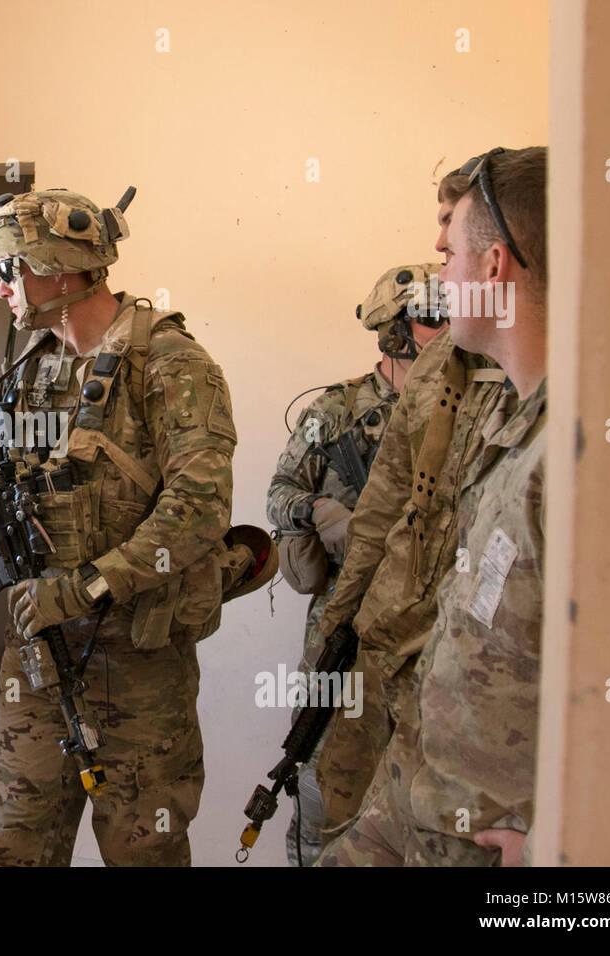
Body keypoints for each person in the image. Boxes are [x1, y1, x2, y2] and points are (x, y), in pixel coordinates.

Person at [0, 187, 237, 866]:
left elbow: (198, 509)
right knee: (8, 847)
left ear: (58, 269)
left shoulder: (169, 363)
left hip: (135, 666)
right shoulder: (32, 368)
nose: (4, 286)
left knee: (144, 853)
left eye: (13, 268)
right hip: (34, 656)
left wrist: (87, 588)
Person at [318, 145, 548, 866]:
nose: (437, 275)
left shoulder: (579, 445)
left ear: (494, 266)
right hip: (420, 774)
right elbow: (389, 523)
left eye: (449, 252)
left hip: (492, 825)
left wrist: (557, 831)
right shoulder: (510, 424)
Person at [265, 260, 446, 865]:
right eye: (429, 319)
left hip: (431, 627)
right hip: (347, 623)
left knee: (424, 794)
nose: (445, 329)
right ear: (392, 332)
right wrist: (319, 510)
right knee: (323, 784)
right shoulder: (337, 410)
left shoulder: (462, 410)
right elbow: (277, 493)